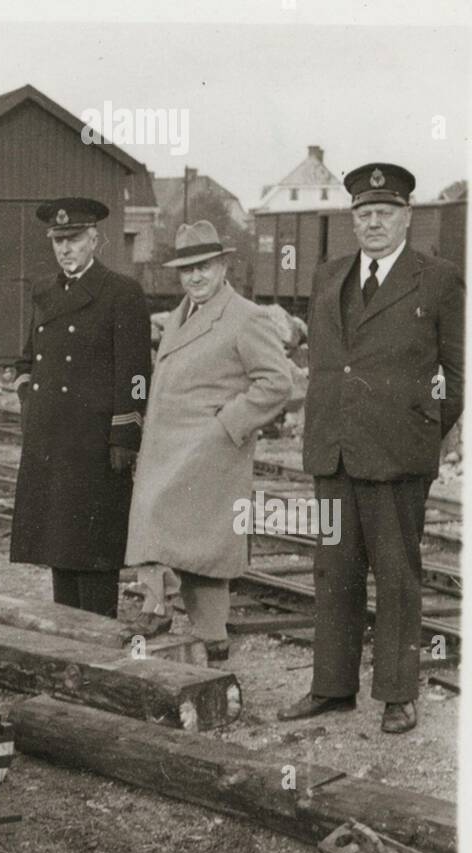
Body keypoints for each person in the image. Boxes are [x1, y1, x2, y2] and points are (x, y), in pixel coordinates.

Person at [280, 163, 464, 734]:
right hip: (334, 452)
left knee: (396, 576)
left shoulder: (438, 279)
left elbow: (456, 376)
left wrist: (421, 431)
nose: (374, 223)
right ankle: (332, 687)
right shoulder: (329, 275)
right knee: (333, 571)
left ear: (407, 216)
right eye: (364, 213)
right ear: (352, 219)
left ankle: (397, 695)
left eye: (385, 212)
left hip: (397, 458)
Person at [124, 221, 292, 661]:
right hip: (168, 448)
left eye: (204, 267)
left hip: (210, 451)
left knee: (203, 545)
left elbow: (278, 382)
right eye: (187, 270)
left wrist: (228, 424)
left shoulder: (245, 317)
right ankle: (158, 607)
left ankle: (211, 633)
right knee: (160, 524)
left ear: (223, 267)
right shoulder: (181, 315)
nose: (195, 277)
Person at [9, 198, 151, 618]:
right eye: (58, 241)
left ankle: (98, 640)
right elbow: (27, 359)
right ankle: (68, 639)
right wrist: (29, 398)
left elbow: (136, 373)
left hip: (95, 445)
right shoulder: (44, 291)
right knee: (58, 545)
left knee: (94, 551)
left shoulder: (120, 292)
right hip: (50, 440)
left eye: (73, 239)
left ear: (94, 239)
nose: (65, 249)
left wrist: (125, 433)